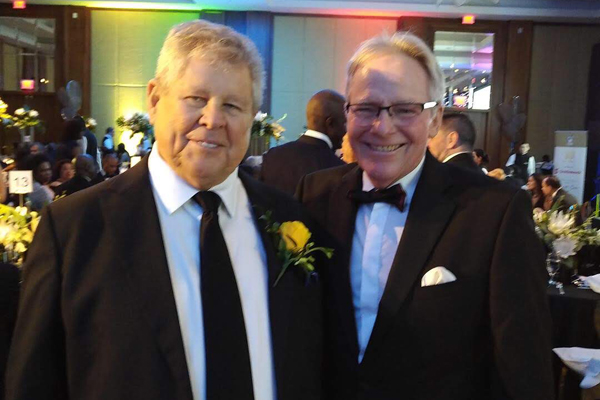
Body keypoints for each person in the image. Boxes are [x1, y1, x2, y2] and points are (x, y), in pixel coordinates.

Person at [6, 20, 327, 400]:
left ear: (252, 117)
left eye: (232, 105)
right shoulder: (74, 230)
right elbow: (33, 384)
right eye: (196, 99)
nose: (213, 119)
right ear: (155, 100)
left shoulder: (291, 220)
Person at [296, 31, 553, 400]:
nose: (383, 127)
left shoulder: (494, 210)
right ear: (347, 115)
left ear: (434, 120)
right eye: (366, 108)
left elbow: (523, 368)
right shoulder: (314, 195)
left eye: (405, 109)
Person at [260, 90, 346, 195]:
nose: (347, 131)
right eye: (345, 124)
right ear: (330, 123)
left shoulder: (272, 156)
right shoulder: (339, 169)